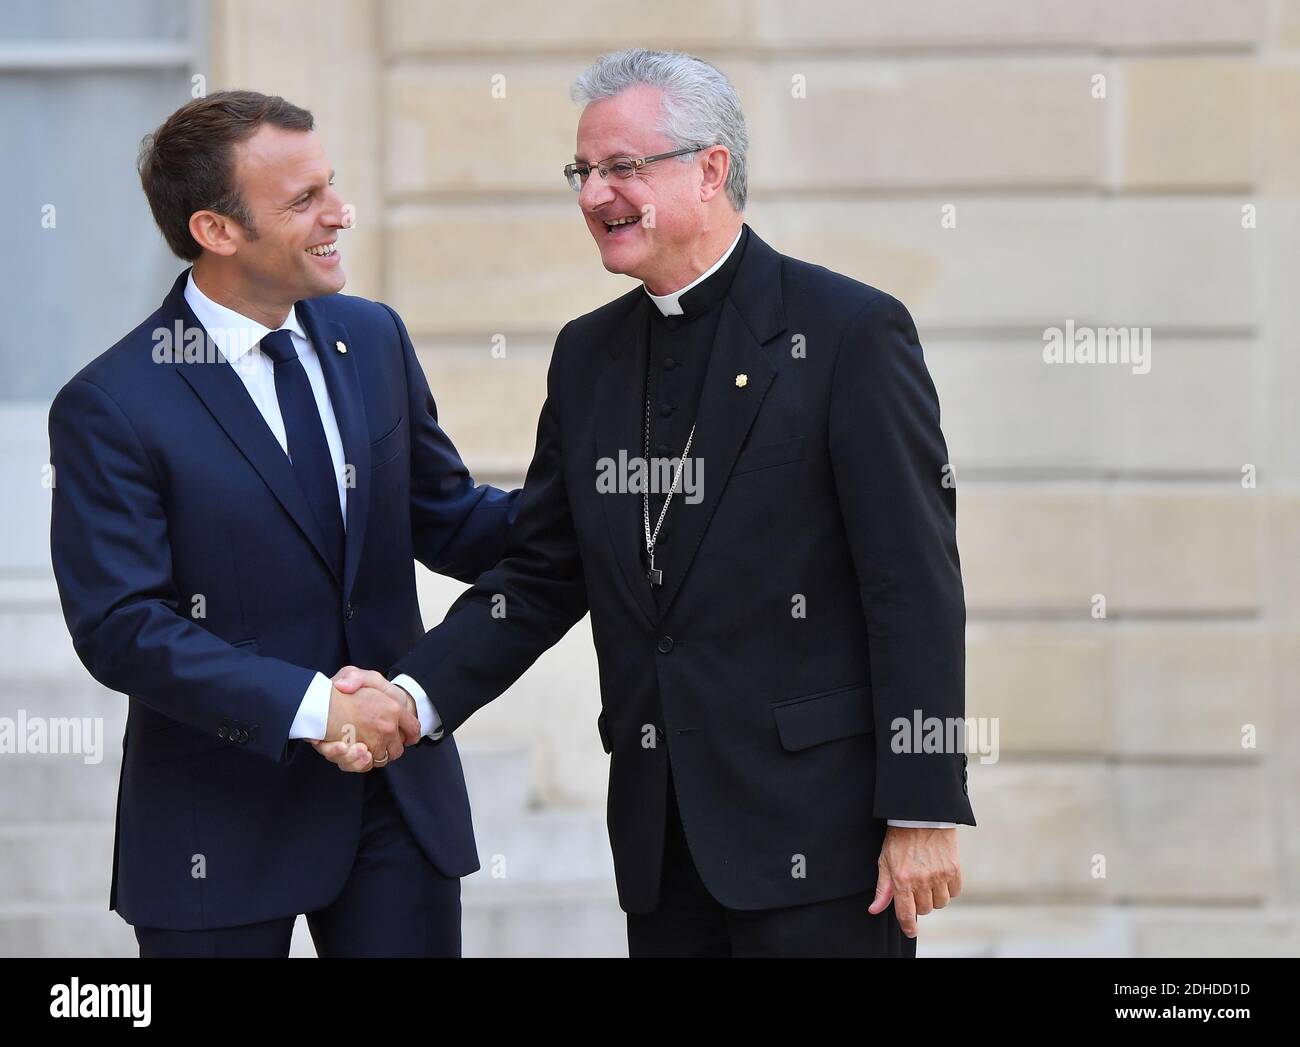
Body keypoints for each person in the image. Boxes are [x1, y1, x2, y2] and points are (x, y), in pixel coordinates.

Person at [322, 49, 975, 958]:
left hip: (824, 845)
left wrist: (922, 806)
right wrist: (413, 694)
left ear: (711, 170)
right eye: (582, 172)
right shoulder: (588, 355)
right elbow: (546, 574)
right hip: (663, 846)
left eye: (623, 167)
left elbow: (915, 587)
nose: (594, 194)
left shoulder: (848, 334)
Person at [48, 90, 515, 957]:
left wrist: (604, 508)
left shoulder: (372, 337)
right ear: (216, 231)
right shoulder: (111, 404)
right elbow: (121, 626)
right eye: (303, 201)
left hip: (395, 806)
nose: (340, 213)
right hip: (214, 830)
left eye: (330, 185)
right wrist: (314, 708)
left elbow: (447, 517)